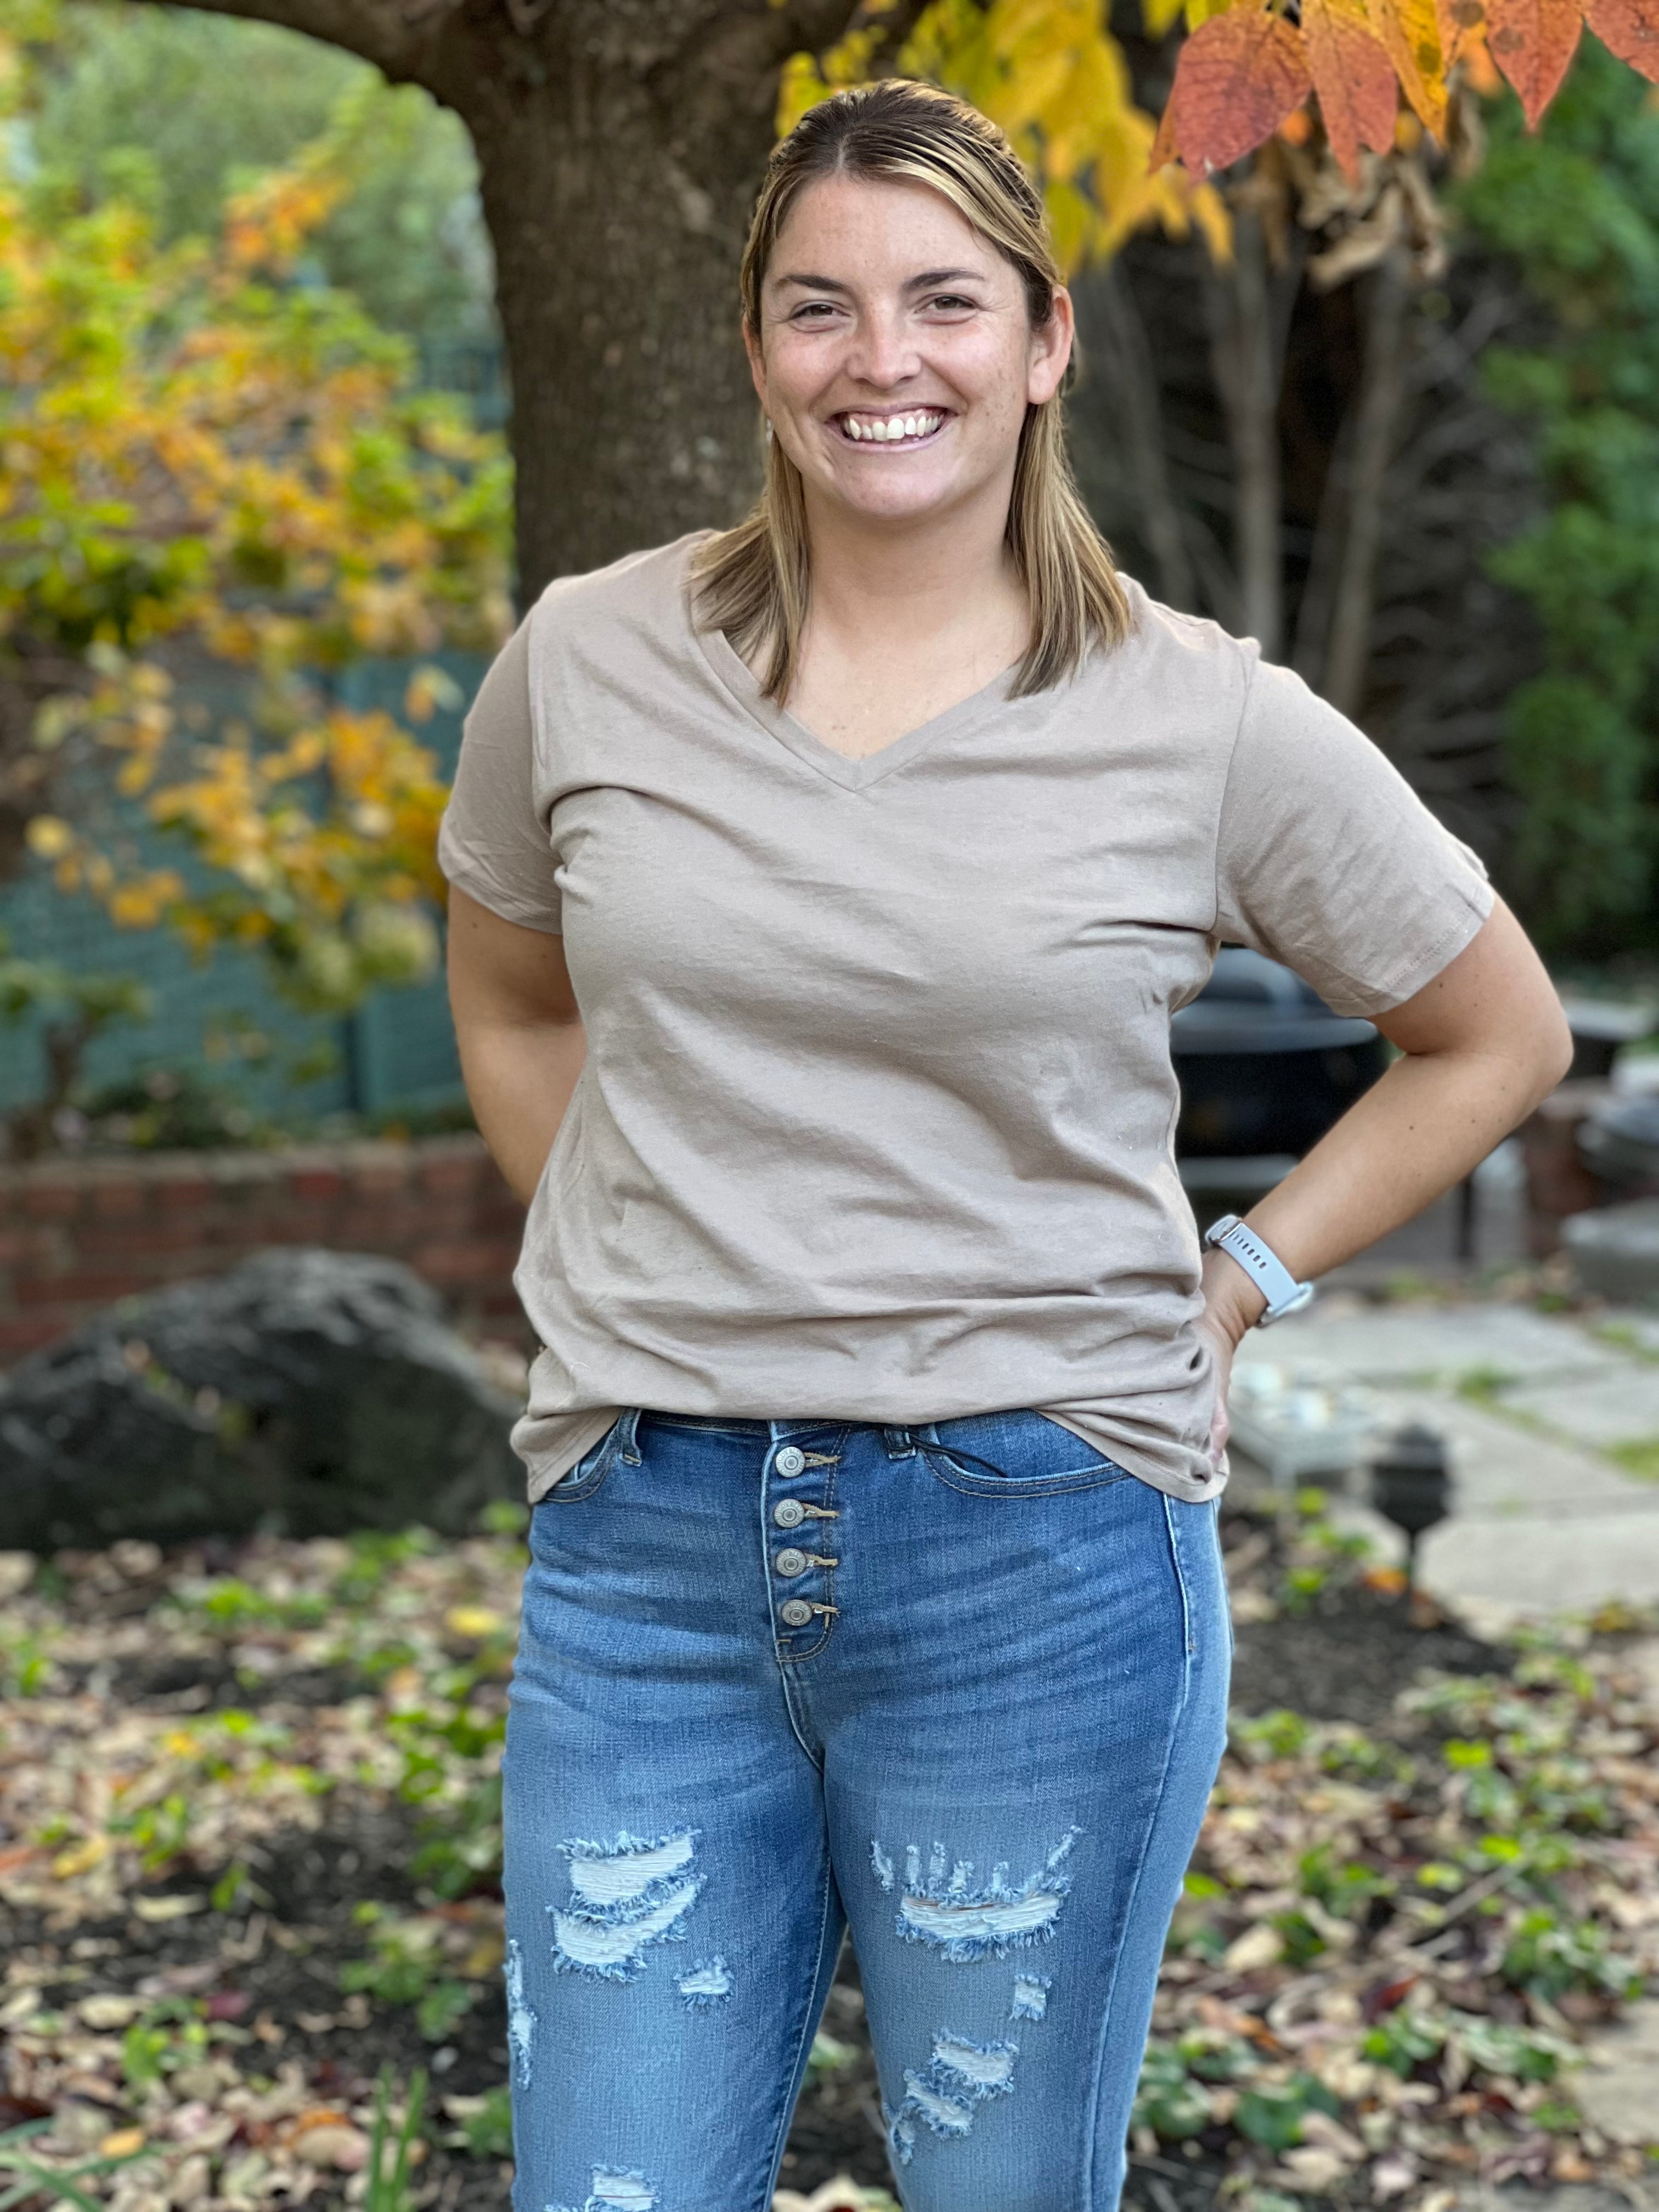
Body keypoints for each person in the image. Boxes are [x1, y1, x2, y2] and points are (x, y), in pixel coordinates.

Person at [438, 79, 1571, 2212]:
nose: (885, 362)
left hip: (1039, 1560)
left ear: (1044, 340)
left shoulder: (1195, 714)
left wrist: (1239, 1290)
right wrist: (635, 1248)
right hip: (646, 1556)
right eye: (820, 307)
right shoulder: (585, 663)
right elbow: (511, 998)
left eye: (944, 301)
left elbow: (1488, 1034)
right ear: (756, 346)